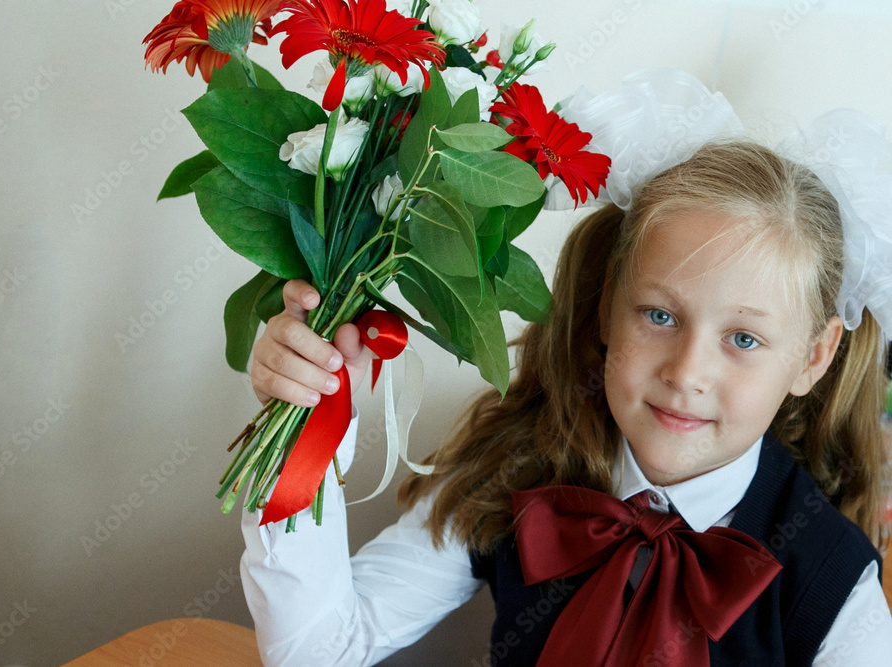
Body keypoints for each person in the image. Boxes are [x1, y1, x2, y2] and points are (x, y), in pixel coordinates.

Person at [239, 87, 892, 665]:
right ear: (608, 303)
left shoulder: (832, 581)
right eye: (660, 314)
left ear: (812, 356)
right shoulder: (517, 467)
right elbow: (316, 646)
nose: (687, 371)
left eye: (744, 338)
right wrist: (309, 418)